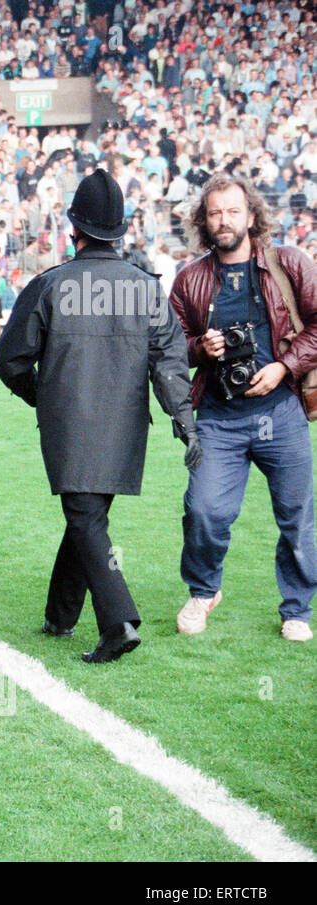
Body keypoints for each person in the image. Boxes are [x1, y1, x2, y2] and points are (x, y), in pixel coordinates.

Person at [0, 168, 199, 663]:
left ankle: (118, 621)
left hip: (69, 424)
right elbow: (171, 361)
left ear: (74, 229)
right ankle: (59, 617)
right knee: (87, 516)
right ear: (121, 229)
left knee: (86, 519)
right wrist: (184, 422)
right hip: (125, 426)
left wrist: (41, 395)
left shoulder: (50, 284)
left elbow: (9, 359)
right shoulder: (147, 288)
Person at [170, 173, 317, 642]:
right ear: (203, 220)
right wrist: (200, 349)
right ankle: (203, 590)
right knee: (204, 510)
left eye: (233, 211)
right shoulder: (190, 278)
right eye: (215, 212)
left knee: (296, 514)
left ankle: (296, 608)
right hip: (219, 418)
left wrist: (285, 367)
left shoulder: (288, 264)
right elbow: (168, 347)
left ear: (252, 215)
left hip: (281, 411)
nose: (224, 220)